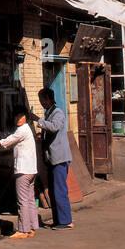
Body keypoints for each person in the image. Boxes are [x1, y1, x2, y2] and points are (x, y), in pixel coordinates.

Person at [0, 109, 39, 240]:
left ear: (25, 117)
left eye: (20, 116)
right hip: (31, 169)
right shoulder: (26, 129)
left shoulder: (22, 130)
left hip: (23, 170)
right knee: (30, 199)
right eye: (16, 116)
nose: (17, 119)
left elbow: (7, 142)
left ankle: (23, 229)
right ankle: (32, 227)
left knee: (22, 200)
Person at [37, 88, 74, 228]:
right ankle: (59, 219)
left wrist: (39, 121)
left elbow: (55, 127)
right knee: (53, 191)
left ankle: (65, 221)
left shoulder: (57, 112)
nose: (42, 103)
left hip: (59, 158)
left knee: (59, 190)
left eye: (43, 100)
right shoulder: (49, 113)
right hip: (52, 158)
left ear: (49, 99)